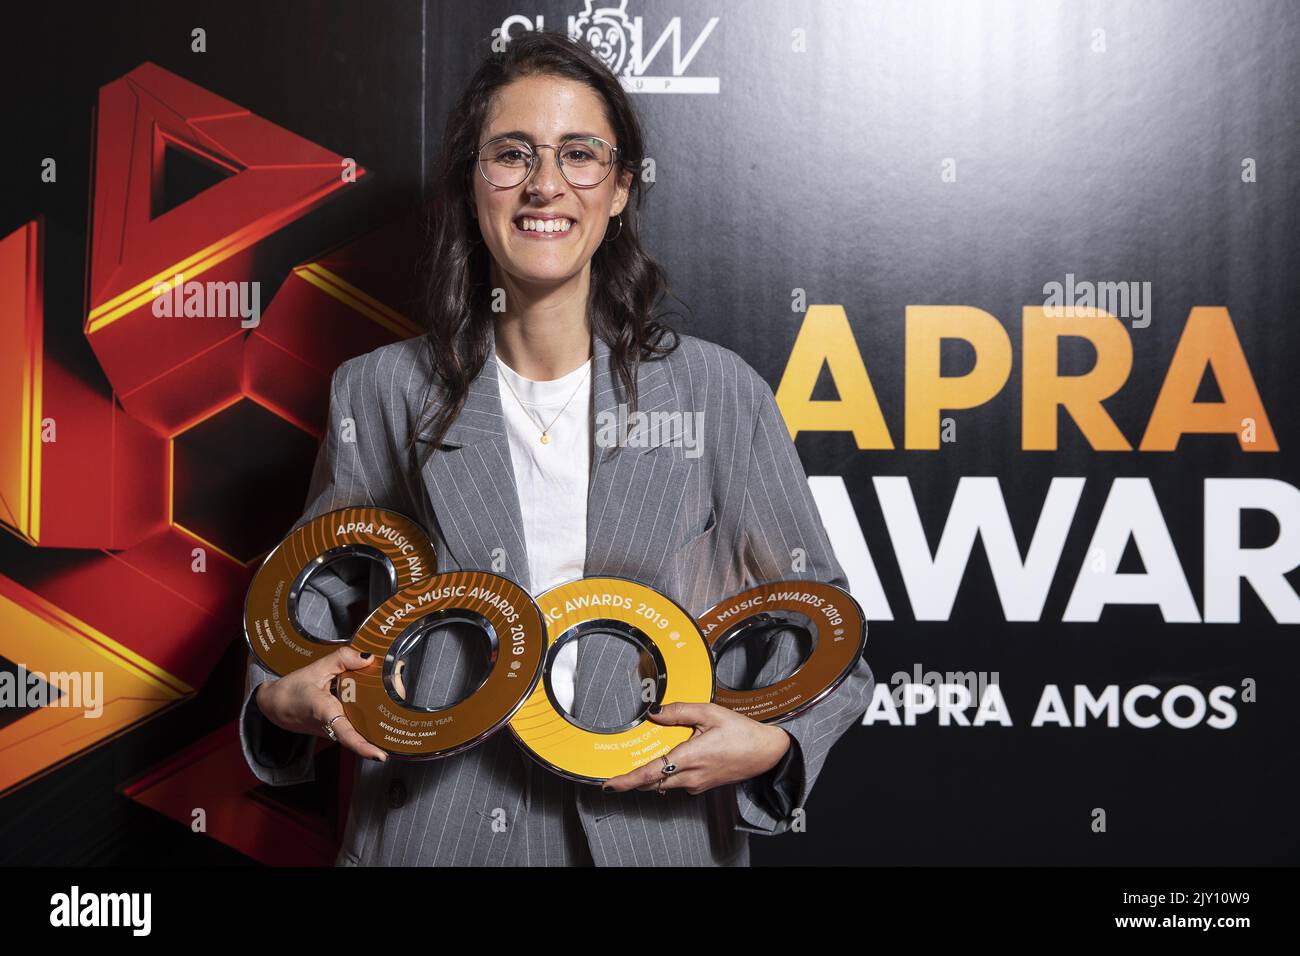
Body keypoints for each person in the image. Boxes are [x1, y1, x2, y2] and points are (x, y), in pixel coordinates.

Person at [240, 29, 875, 866]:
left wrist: (777, 743)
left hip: (657, 832)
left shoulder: (720, 395)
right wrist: (278, 700)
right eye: (512, 154)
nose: (545, 184)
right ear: (474, 183)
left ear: (618, 189)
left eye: (580, 154)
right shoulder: (382, 391)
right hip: (439, 830)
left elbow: (818, 623)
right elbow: (302, 604)